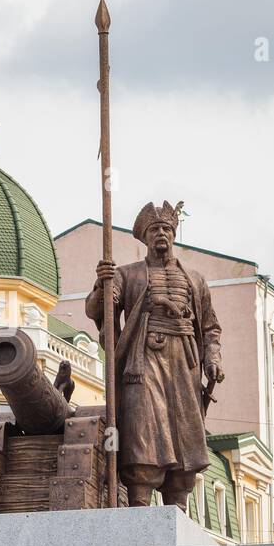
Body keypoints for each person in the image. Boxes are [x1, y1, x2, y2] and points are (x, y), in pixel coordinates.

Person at [86, 200, 224, 507]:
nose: (160, 234)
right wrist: (102, 284)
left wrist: (212, 359)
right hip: (143, 360)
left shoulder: (196, 280)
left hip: (184, 364)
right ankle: (140, 508)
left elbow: (211, 326)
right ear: (145, 237)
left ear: (174, 234)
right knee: (143, 434)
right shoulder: (126, 274)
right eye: (154, 230)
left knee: (184, 440)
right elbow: (97, 310)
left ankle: (178, 509)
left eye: (166, 228)